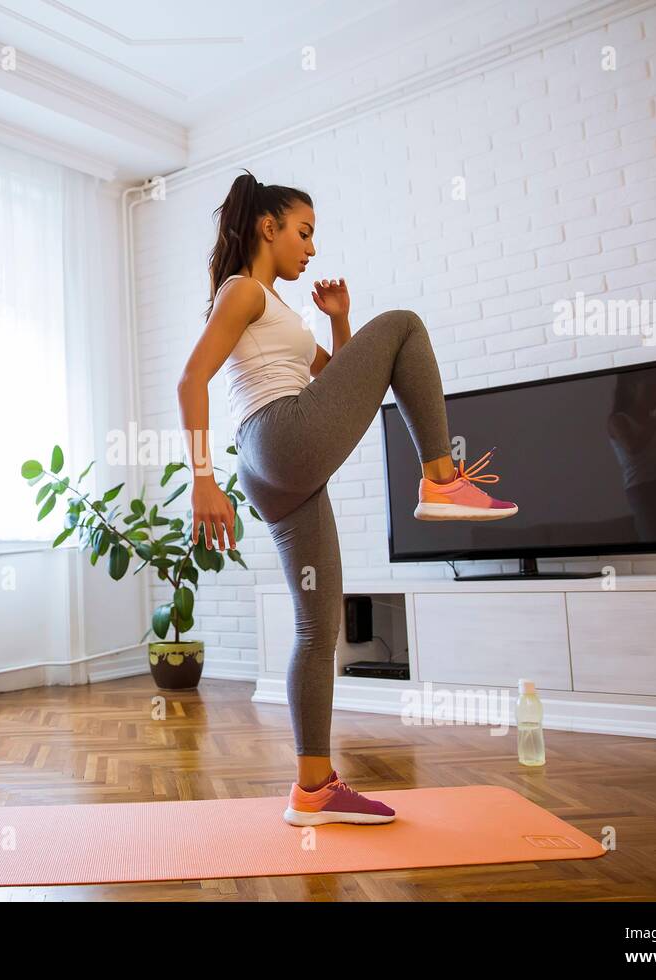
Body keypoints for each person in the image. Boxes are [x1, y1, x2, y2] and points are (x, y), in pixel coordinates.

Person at [176, 171, 518, 826]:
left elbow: (340, 385)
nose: (310, 249)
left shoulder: (274, 308)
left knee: (317, 626)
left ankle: (313, 787)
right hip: (278, 437)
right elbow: (192, 376)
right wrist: (199, 477)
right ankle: (442, 478)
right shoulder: (245, 290)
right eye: (302, 233)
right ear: (266, 227)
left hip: (278, 465)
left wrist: (338, 323)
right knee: (406, 326)